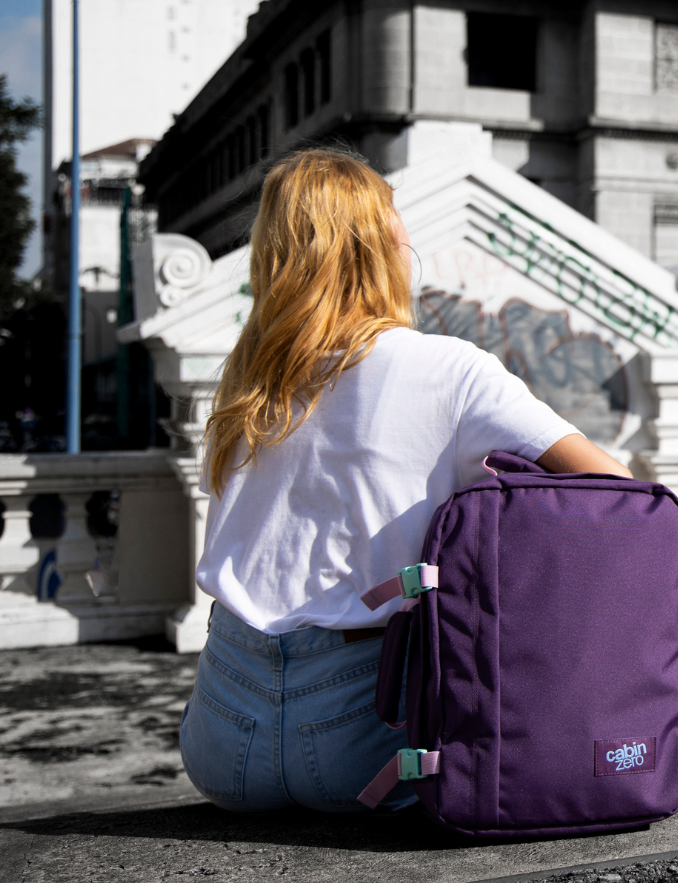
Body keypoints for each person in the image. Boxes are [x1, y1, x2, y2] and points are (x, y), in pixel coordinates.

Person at [179, 148, 630, 812]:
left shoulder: (248, 376)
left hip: (221, 736)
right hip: (366, 735)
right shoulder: (448, 369)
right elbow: (614, 487)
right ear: (384, 242)